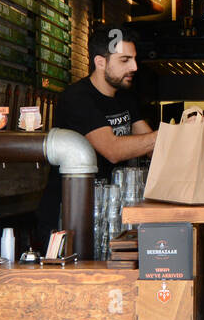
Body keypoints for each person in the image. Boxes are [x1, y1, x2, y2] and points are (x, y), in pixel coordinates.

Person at [34, 27, 157, 249]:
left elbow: (151, 146)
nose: (134, 67)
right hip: (70, 214)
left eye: (134, 59)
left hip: (109, 211)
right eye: (125, 60)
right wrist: (168, 136)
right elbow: (113, 150)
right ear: (100, 62)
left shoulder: (125, 97)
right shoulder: (77, 98)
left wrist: (186, 134)